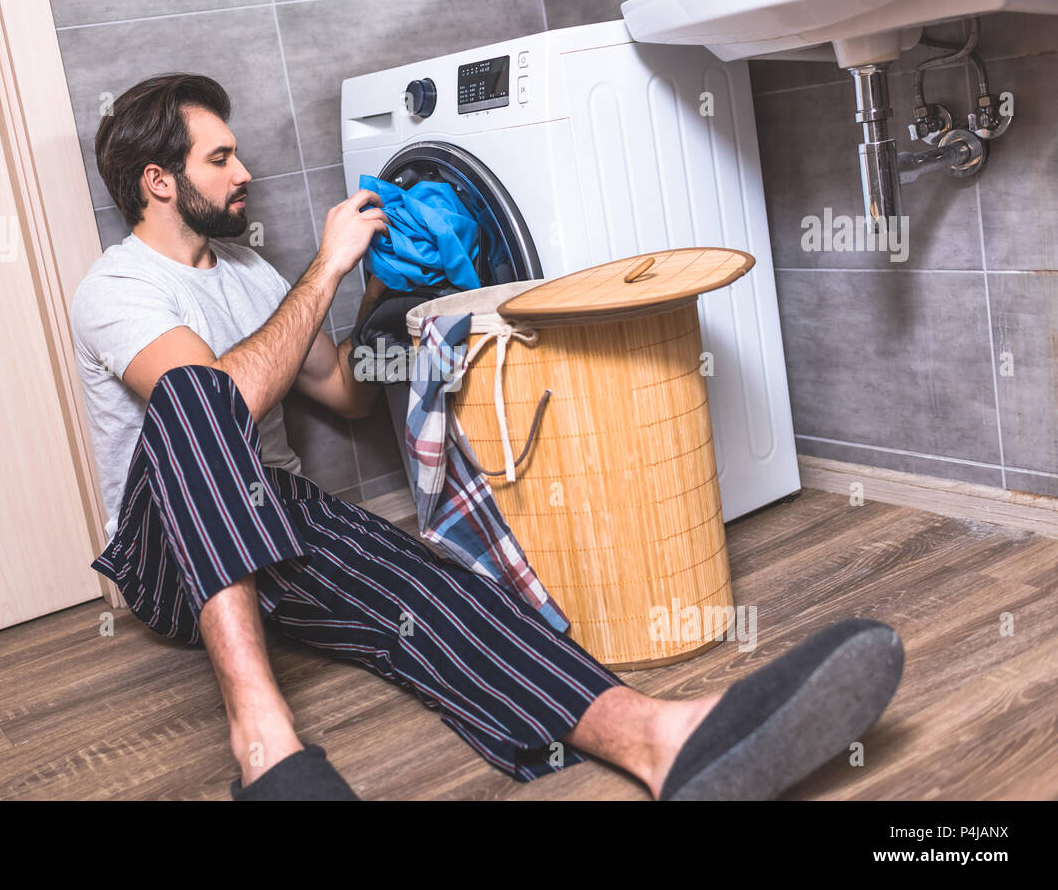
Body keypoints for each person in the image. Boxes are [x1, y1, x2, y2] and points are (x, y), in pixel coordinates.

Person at [69, 72, 905, 801]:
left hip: (272, 513)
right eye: (221, 159)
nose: (245, 172)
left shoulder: (249, 275)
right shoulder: (116, 288)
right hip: (168, 554)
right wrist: (322, 269)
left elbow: (350, 394)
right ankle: (263, 741)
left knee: (434, 589)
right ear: (160, 180)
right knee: (194, 396)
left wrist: (380, 287)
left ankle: (660, 738)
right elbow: (221, 404)